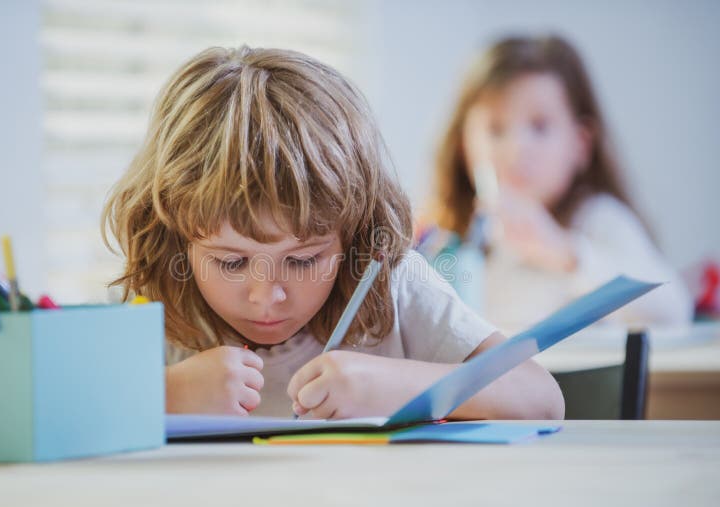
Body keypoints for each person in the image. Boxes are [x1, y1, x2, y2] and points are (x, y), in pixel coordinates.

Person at [102, 46, 563, 420]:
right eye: (231, 262)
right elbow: (57, 419)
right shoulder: (156, 307)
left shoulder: (392, 286)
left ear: (355, 235)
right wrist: (164, 396)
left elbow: (540, 397)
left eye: (303, 260)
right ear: (175, 238)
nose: (268, 298)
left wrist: (391, 385)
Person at [427, 35, 693, 332]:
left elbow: (672, 310)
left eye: (540, 127)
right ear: (464, 144)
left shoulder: (597, 221)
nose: (516, 150)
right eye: (495, 129)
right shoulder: (450, 242)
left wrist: (565, 254)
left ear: (580, 144)